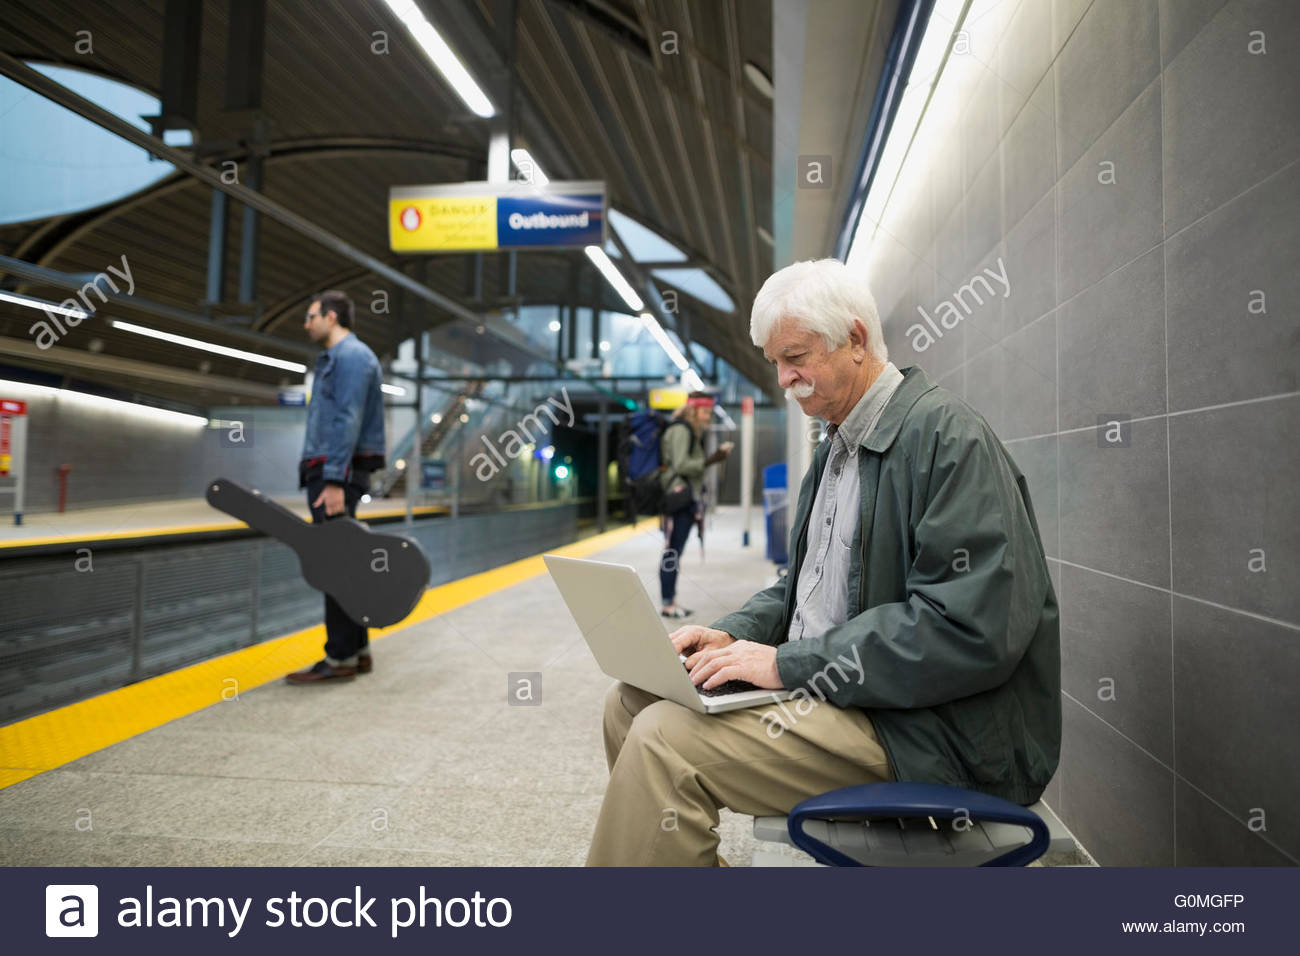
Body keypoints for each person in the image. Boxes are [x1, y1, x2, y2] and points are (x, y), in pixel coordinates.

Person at [586, 259, 1060, 865]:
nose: (784, 379)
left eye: (796, 357)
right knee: (630, 704)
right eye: (776, 363)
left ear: (856, 340)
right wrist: (735, 634)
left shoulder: (948, 440)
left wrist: (789, 663)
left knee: (663, 743)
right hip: (850, 700)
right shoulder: (838, 449)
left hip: (932, 732)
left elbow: (968, 629)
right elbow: (804, 588)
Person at [286, 290, 387, 685]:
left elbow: (347, 418)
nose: (306, 324)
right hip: (335, 469)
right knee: (345, 563)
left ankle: (340, 655)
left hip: (334, 473)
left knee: (333, 565)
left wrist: (333, 480)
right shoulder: (341, 358)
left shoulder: (350, 357)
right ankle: (357, 650)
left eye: (311, 316)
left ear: (331, 316)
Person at [657, 394, 733, 619]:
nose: (708, 417)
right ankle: (667, 603)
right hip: (678, 498)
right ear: (694, 410)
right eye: (706, 412)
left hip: (685, 499)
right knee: (672, 551)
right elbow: (680, 465)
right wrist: (712, 459)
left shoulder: (688, 430)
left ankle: (671, 600)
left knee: (675, 550)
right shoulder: (681, 430)